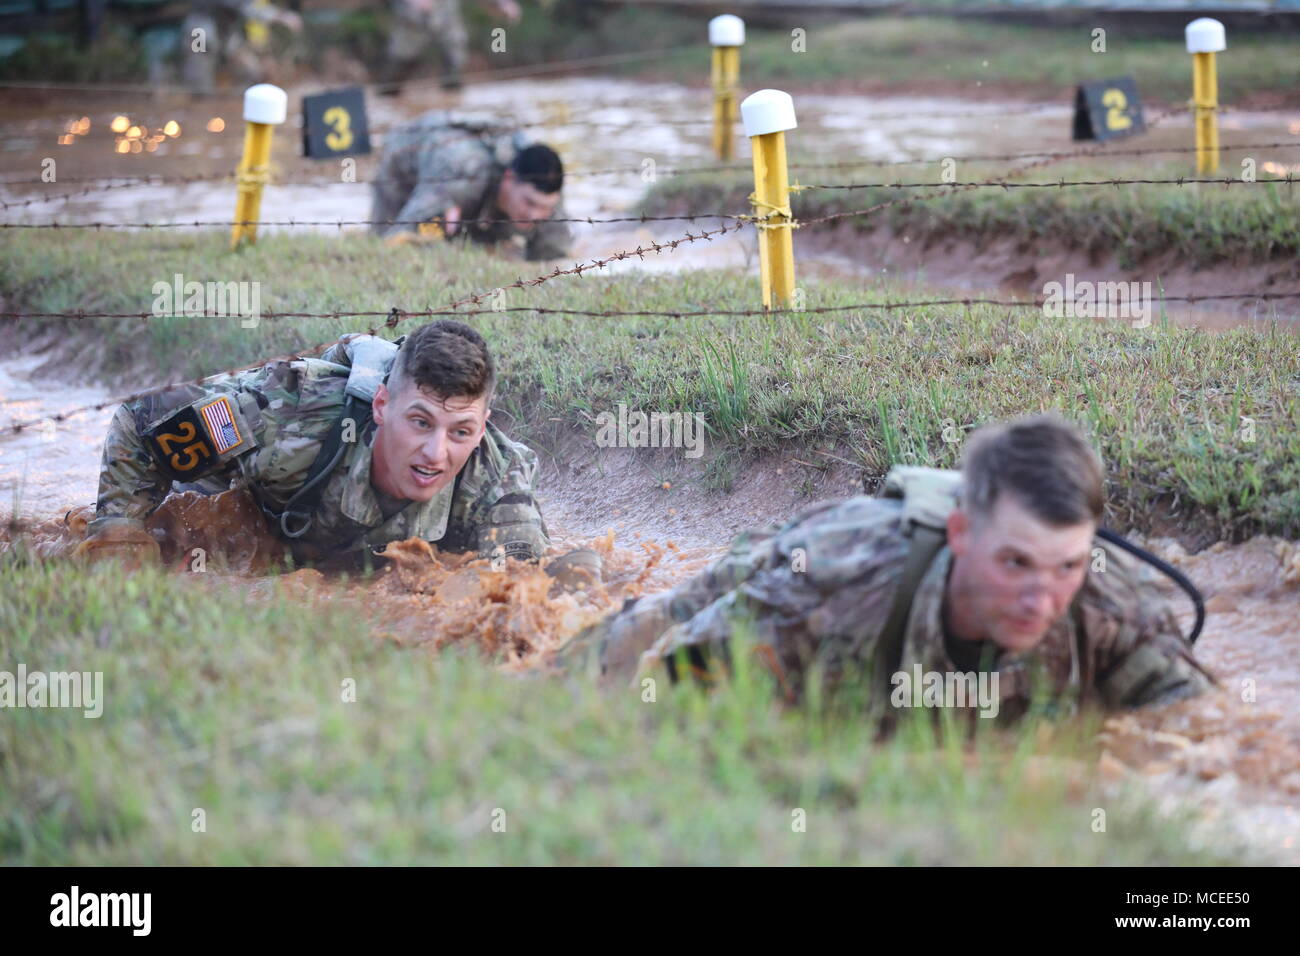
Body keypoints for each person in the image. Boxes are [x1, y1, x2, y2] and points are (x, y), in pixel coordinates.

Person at [559, 414, 1213, 723]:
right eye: (1015, 562)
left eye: (1066, 565)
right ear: (961, 533)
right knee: (615, 653)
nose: (1042, 597)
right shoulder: (823, 595)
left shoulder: (1111, 606)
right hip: (812, 557)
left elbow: (1203, 735)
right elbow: (671, 692)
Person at [79, 321, 565, 573]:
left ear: (482, 430)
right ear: (381, 406)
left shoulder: (497, 480)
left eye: (460, 431)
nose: (436, 454)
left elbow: (525, 590)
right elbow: (143, 419)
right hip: (237, 504)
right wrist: (120, 538)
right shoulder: (292, 416)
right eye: (420, 422)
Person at [370, 112, 571, 261]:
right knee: (396, 241)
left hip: (482, 181)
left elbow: (554, 255)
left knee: (500, 245)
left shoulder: (547, 189)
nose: (534, 215)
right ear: (509, 178)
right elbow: (401, 234)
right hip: (406, 160)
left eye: (544, 208)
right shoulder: (461, 172)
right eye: (529, 203)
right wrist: (436, 225)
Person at [381, 0, 522, 94]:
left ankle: (452, 106)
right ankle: (386, 99)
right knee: (398, 67)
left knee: (455, 59)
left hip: (446, 15)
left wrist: (502, 3)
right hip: (411, 20)